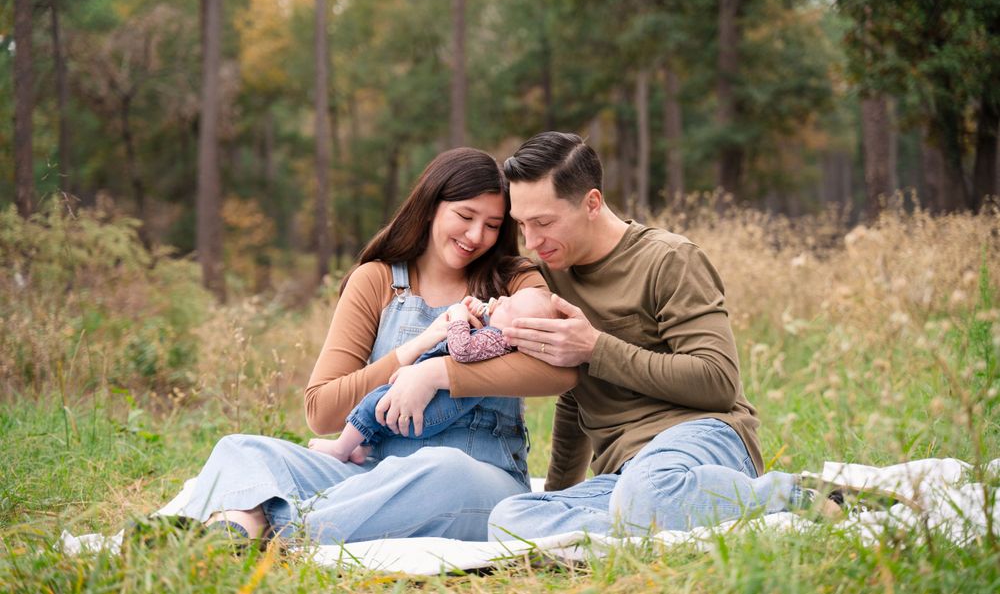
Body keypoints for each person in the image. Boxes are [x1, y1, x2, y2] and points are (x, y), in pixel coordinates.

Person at [173, 147, 576, 545]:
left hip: (476, 476)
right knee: (242, 450)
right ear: (431, 206)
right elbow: (322, 410)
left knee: (442, 469)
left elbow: (558, 370)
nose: (477, 236)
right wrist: (415, 349)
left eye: (492, 225)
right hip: (372, 473)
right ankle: (233, 534)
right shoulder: (377, 280)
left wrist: (436, 373)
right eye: (465, 216)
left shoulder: (515, 282)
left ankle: (256, 521)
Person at [487, 131, 823, 540]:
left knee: (645, 494)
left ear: (592, 203)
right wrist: (559, 494)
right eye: (521, 224)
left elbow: (717, 382)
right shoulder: (548, 277)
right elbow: (575, 399)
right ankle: (649, 522)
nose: (532, 242)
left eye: (543, 223)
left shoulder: (670, 259)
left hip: (703, 439)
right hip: (624, 475)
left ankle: (793, 494)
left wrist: (595, 347)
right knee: (508, 520)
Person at [308, 287, 558, 463]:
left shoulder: (496, 338)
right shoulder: (497, 337)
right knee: (384, 415)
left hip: (435, 411)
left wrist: (459, 315)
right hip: (435, 410)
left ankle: (341, 448)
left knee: (375, 404)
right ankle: (362, 449)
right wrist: (477, 312)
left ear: (519, 331)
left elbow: (462, 350)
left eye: (510, 305)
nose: (502, 299)